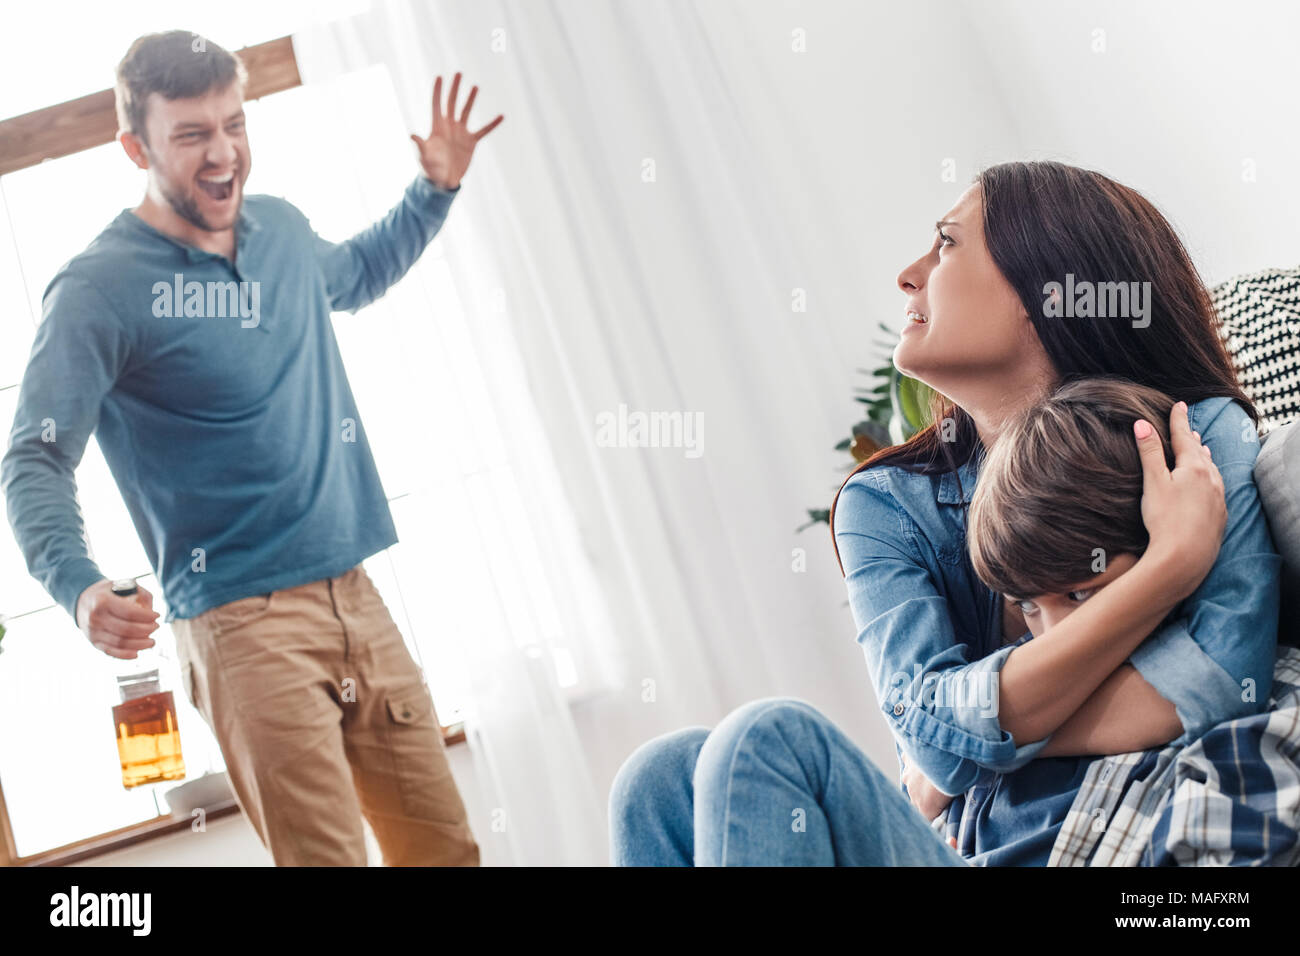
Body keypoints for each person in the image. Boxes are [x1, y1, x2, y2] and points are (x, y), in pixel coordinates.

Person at [607, 160, 1280, 866]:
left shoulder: (1186, 435)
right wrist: (1167, 573)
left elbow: (1219, 683)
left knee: (769, 742)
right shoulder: (883, 504)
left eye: (947, 245)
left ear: (1045, 290)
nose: (908, 274)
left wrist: (974, 744)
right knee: (656, 781)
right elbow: (924, 743)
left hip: (1102, 838)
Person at [1, 30, 502, 866]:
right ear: (136, 147)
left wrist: (434, 188)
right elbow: (35, 455)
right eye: (192, 134)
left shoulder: (278, 230)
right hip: (242, 625)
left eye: (233, 124)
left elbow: (357, 273)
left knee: (445, 853)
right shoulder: (99, 289)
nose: (223, 150)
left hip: (356, 593)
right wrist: (80, 587)